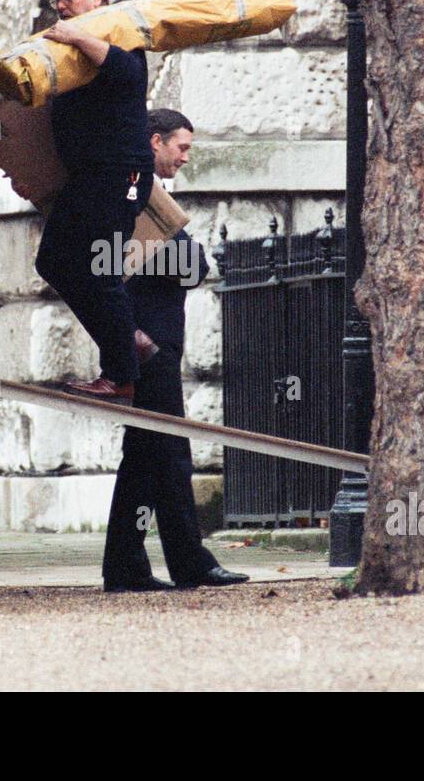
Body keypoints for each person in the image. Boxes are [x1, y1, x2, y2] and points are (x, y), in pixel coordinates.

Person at [101, 109, 250, 592]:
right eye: (181, 147)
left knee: (145, 458)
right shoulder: (136, 198)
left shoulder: (144, 195)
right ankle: (189, 563)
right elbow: (193, 265)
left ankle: (126, 565)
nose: (186, 157)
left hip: (148, 344)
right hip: (149, 347)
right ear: (155, 141)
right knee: (169, 456)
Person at [15, 0, 157, 405]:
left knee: (102, 270)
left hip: (120, 175)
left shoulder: (119, 36)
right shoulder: (70, 53)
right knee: (54, 261)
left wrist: (77, 34)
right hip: (87, 177)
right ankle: (130, 341)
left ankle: (120, 374)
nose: (60, 6)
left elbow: (128, 76)